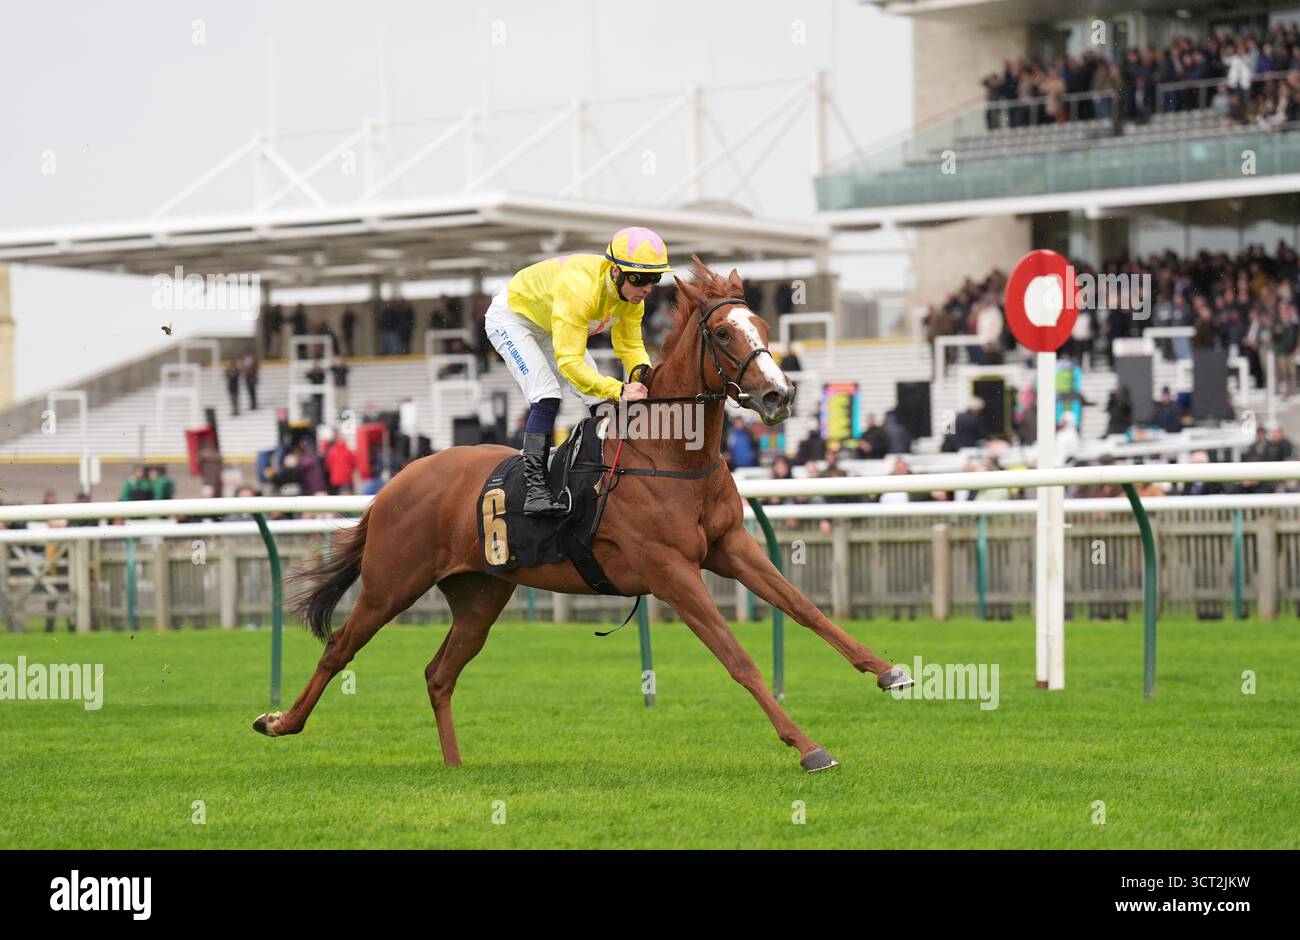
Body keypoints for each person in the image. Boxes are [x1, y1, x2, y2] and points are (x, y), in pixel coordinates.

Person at [484, 227, 663, 514]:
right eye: (640, 278)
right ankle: (536, 491)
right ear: (615, 272)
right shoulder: (581, 289)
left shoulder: (632, 299)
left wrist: (643, 375)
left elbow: (630, 347)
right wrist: (619, 388)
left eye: (655, 278)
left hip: (550, 322)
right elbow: (569, 363)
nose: (647, 288)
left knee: (599, 400)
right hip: (513, 319)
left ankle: (613, 475)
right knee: (547, 395)